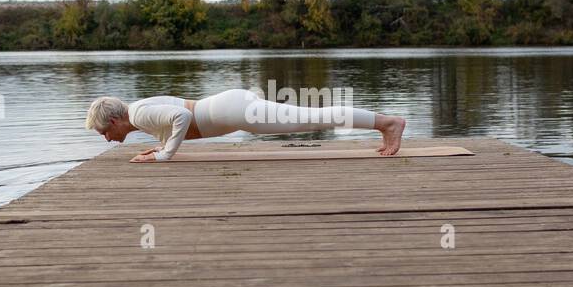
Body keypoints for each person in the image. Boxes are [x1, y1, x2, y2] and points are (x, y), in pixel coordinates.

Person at [86, 88, 407, 161]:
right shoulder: (140, 112)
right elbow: (175, 120)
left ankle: (388, 123)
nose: (107, 138)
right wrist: (160, 146)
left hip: (234, 110)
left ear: (114, 120)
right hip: (232, 110)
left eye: (104, 132)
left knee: (313, 117)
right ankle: (384, 124)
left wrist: (163, 155)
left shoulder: (138, 114)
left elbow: (182, 117)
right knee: (311, 117)